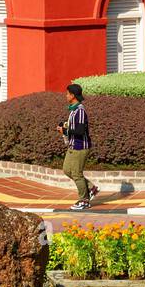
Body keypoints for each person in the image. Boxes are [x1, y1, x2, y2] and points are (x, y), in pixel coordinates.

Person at [59, 83, 98, 212]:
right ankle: (91, 188)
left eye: (67, 94)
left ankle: (84, 200)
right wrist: (64, 130)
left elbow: (80, 131)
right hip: (73, 145)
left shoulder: (80, 111)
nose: (66, 96)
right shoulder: (73, 110)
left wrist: (66, 129)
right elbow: (73, 129)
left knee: (76, 174)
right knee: (67, 170)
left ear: (73, 95)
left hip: (80, 147)